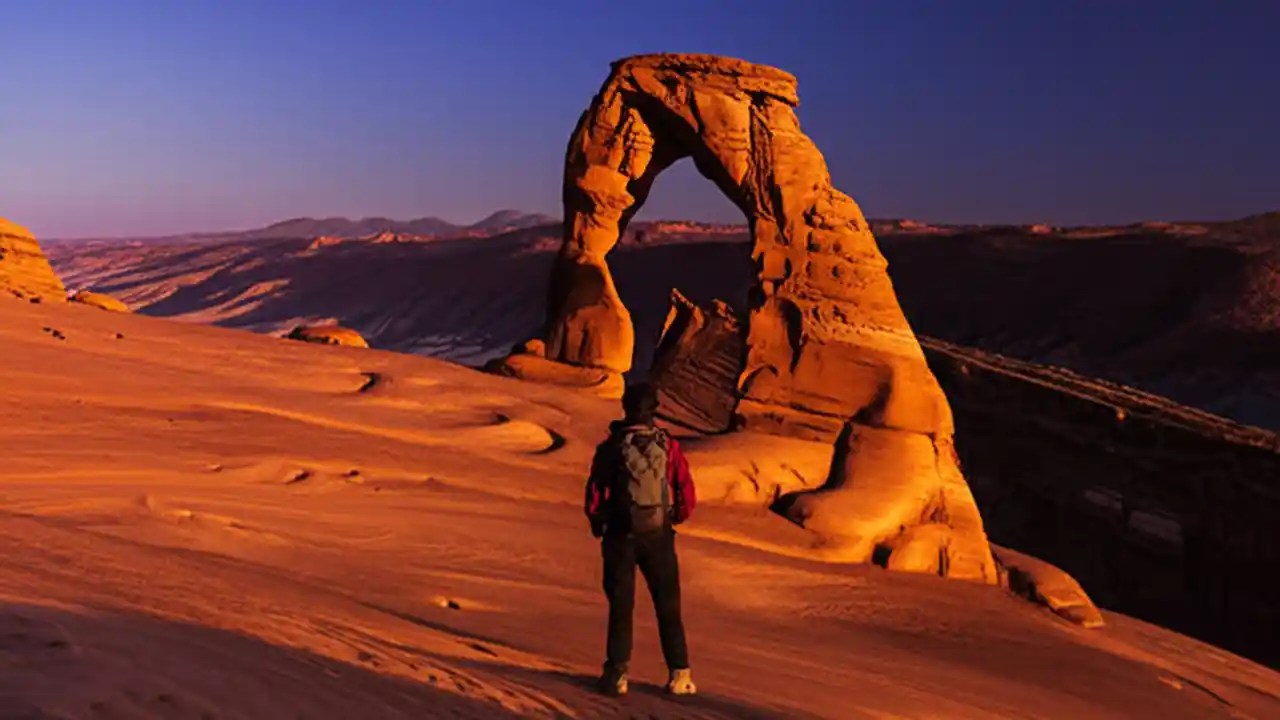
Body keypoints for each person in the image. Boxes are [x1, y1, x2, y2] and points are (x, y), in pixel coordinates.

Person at [584, 382, 697, 697]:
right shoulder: (668, 446)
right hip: (659, 537)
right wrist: (673, 517)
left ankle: (617, 674)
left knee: (622, 605)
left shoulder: (611, 447)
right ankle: (680, 675)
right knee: (668, 605)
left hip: (621, 534)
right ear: (654, 409)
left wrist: (598, 522)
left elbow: (595, 490)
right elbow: (686, 489)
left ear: (625, 408)